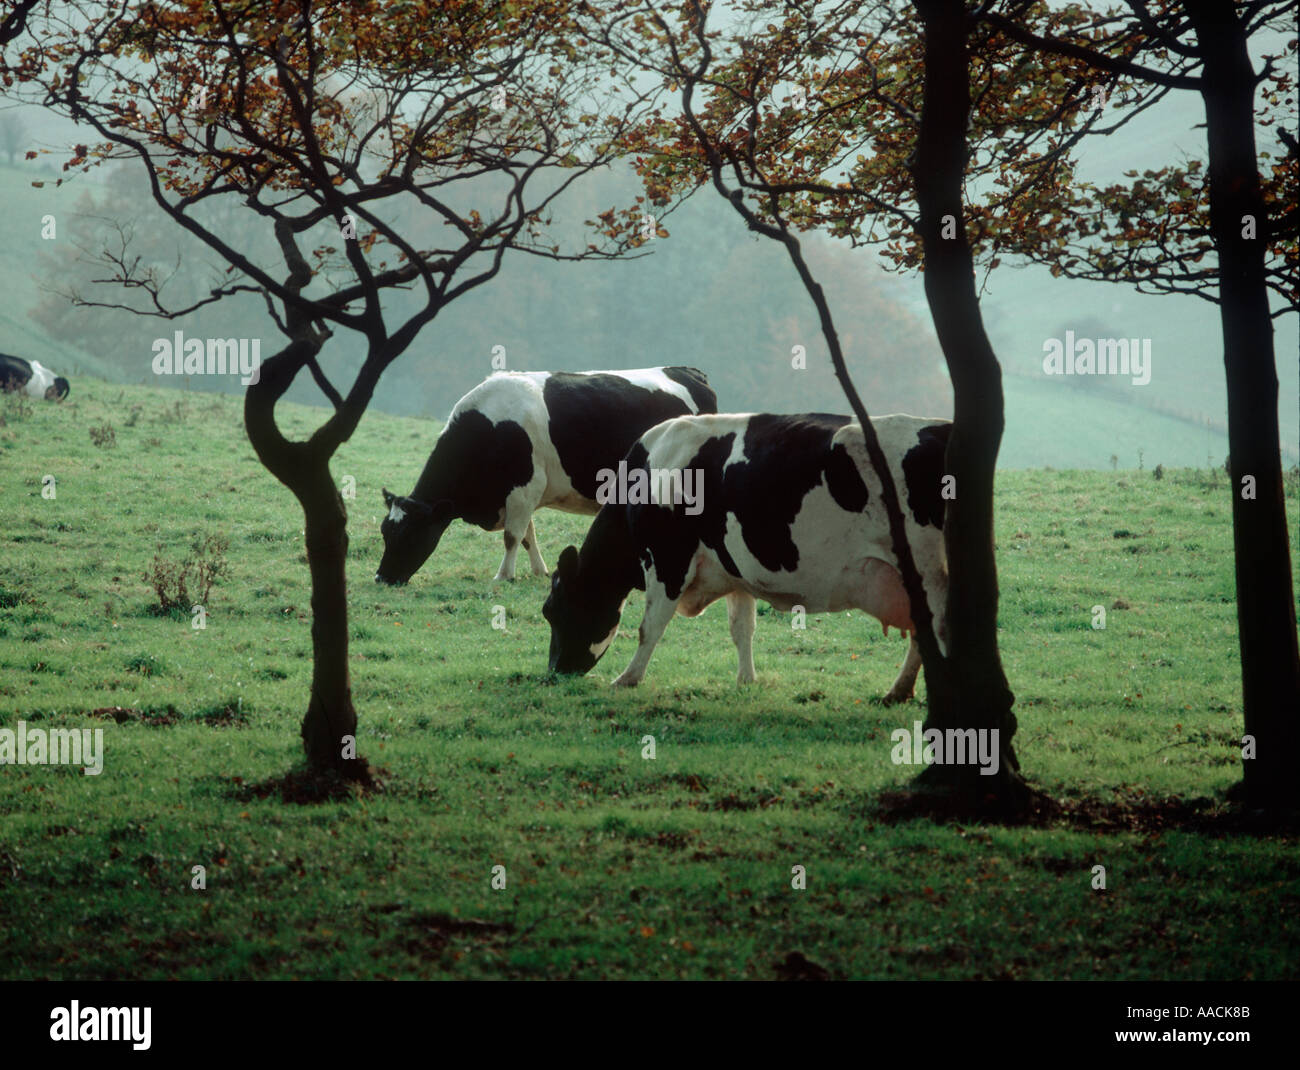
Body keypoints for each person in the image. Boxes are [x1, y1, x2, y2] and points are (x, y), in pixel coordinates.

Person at [0, 352, 70, 400]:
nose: (49, 393)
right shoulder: (40, 384)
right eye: (52, 390)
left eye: (53, 393)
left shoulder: (41, 380)